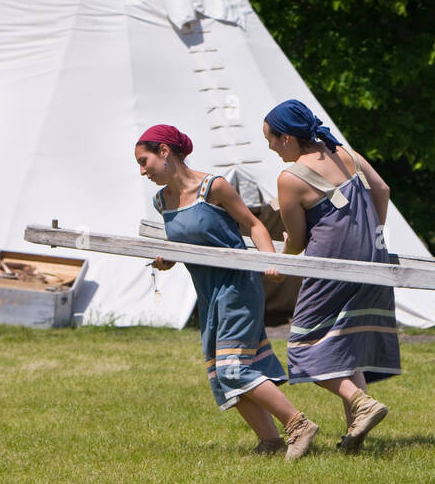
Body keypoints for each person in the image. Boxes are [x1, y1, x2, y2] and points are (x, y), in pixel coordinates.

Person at [136, 123, 319, 460]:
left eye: (144, 161)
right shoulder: (162, 201)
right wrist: (167, 261)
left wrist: (270, 262)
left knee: (233, 368)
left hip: (237, 287)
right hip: (207, 293)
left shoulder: (213, 187)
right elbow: (187, 246)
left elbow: (253, 225)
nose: (143, 171)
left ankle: (298, 425)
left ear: (165, 152)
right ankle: (270, 442)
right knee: (221, 374)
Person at [264, 100, 400, 453]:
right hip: (374, 257)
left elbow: (297, 239)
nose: (271, 148)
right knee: (346, 344)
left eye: (272, 140)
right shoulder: (346, 154)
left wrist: (283, 258)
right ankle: (356, 431)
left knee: (302, 345)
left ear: (288, 139)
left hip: (331, 264)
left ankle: (361, 403)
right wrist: (374, 232)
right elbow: (382, 190)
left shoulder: (291, 178)